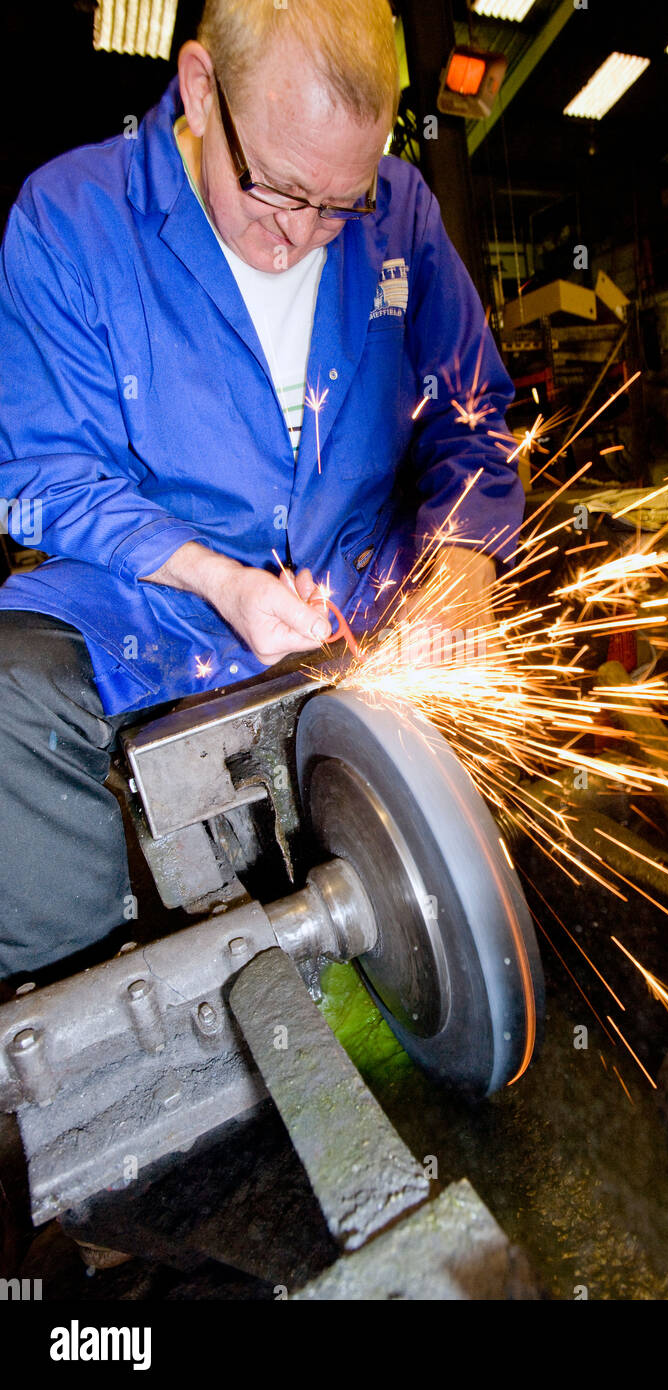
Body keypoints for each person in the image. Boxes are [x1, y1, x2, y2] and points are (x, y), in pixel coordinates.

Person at [0, 0, 523, 979]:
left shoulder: (402, 210)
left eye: (341, 204)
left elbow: (470, 417)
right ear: (203, 90)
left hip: (362, 601)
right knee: (8, 696)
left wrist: (460, 563)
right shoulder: (68, 221)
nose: (303, 240)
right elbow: (42, 477)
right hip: (155, 607)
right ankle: (98, 1015)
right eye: (279, 191)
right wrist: (219, 580)